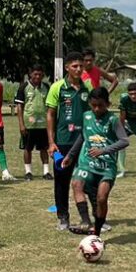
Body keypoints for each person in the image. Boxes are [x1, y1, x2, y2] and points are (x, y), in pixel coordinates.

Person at [63, 86, 130, 237]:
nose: (97, 108)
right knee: (76, 184)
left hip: (107, 166)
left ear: (108, 104)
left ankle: (97, 233)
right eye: (93, 105)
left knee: (101, 198)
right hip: (87, 162)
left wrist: (103, 150)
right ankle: (85, 221)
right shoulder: (86, 116)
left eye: (100, 105)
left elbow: (124, 141)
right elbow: (82, 137)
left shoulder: (113, 120)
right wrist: (70, 155)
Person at [46, 52, 91, 231]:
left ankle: (88, 218)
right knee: (61, 182)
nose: (79, 69)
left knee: (87, 181)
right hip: (62, 142)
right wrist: (51, 142)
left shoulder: (86, 88)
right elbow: (50, 114)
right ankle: (63, 218)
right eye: (75, 66)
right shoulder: (57, 87)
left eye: (81, 66)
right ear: (67, 68)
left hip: (83, 142)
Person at [16, 67, 51, 180]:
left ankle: (46, 172)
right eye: (35, 74)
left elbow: (50, 106)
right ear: (30, 74)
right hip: (29, 124)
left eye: (40, 74)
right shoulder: (24, 87)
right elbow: (20, 106)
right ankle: (28, 172)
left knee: (44, 148)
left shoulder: (46, 87)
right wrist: (21, 124)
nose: (37, 77)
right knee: (28, 148)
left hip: (43, 124)